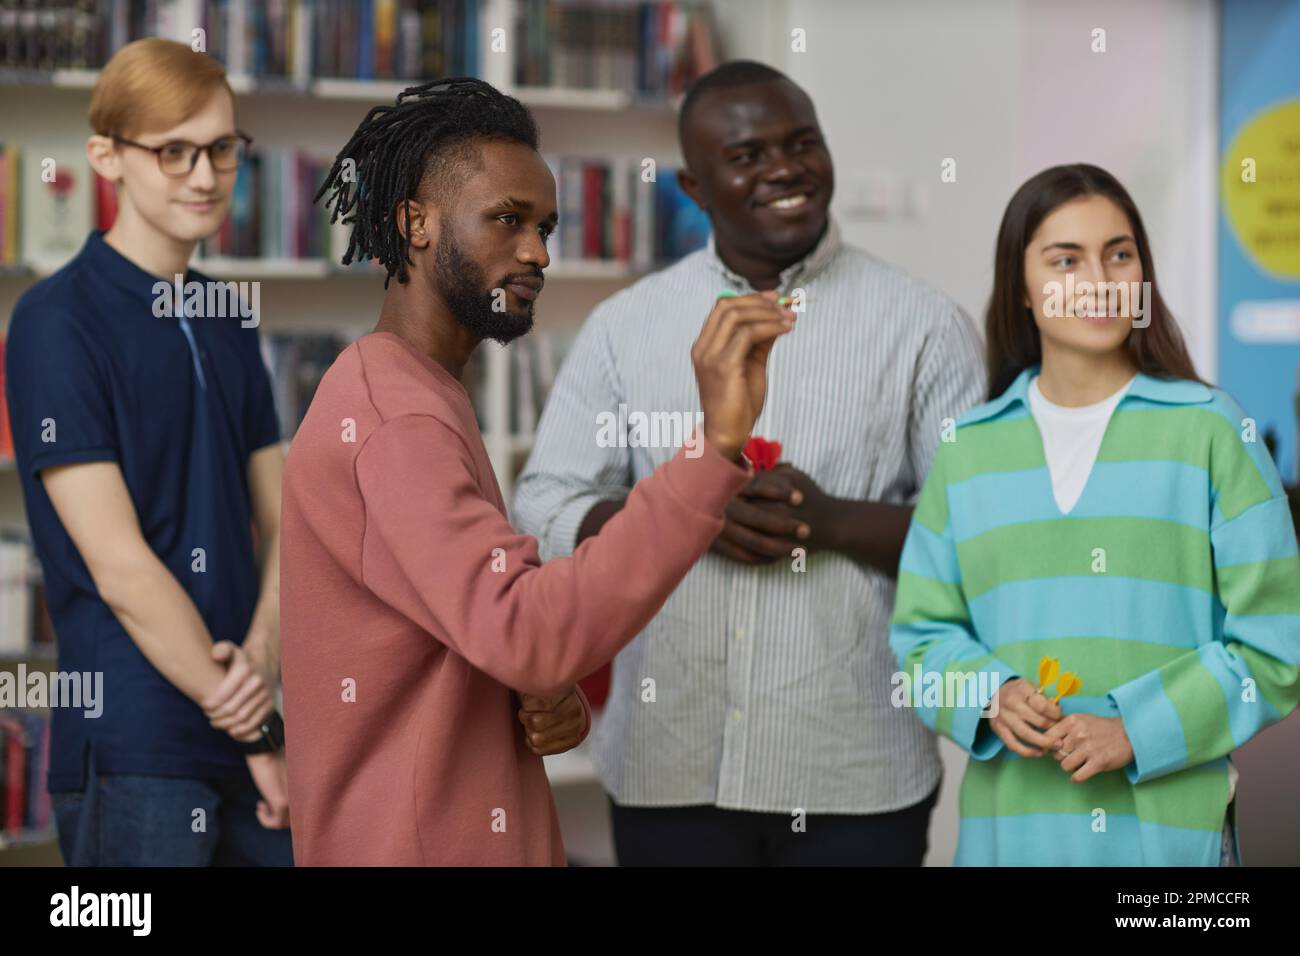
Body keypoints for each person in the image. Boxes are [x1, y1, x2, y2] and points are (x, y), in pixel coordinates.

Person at [278, 77, 793, 866]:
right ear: (415, 223)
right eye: (507, 220)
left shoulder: (417, 392)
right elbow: (526, 630)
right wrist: (714, 450)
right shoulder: (397, 418)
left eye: (545, 225)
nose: (538, 252)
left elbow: (480, 633)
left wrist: (533, 698)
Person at [513, 60, 984, 865]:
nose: (785, 168)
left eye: (803, 143)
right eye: (748, 156)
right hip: (668, 765)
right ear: (695, 189)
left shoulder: (925, 325)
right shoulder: (626, 326)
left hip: (856, 771)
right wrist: (681, 514)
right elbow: (545, 503)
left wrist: (831, 522)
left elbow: (981, 534)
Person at [889, 163, 1300, 866]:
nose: (1101, 280)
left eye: (1119, 253)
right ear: (1020, 287)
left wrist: (1137, 730)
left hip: (1170, 850)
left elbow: (1274, 647)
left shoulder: (1211, 432)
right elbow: (921, 641)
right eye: (1065, 260)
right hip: (1009, 838)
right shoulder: (969, 451)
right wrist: (991, 695)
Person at [4, 39, 291, 865]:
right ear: (107, 157)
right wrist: (249, 714)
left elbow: (285, 520)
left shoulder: (232, 316)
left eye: (222, 149)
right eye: (173, 151)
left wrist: (263, 663)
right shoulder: (55, 321)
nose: (204, 176)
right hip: (134, 741)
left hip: (247, 719)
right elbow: (120, 566)